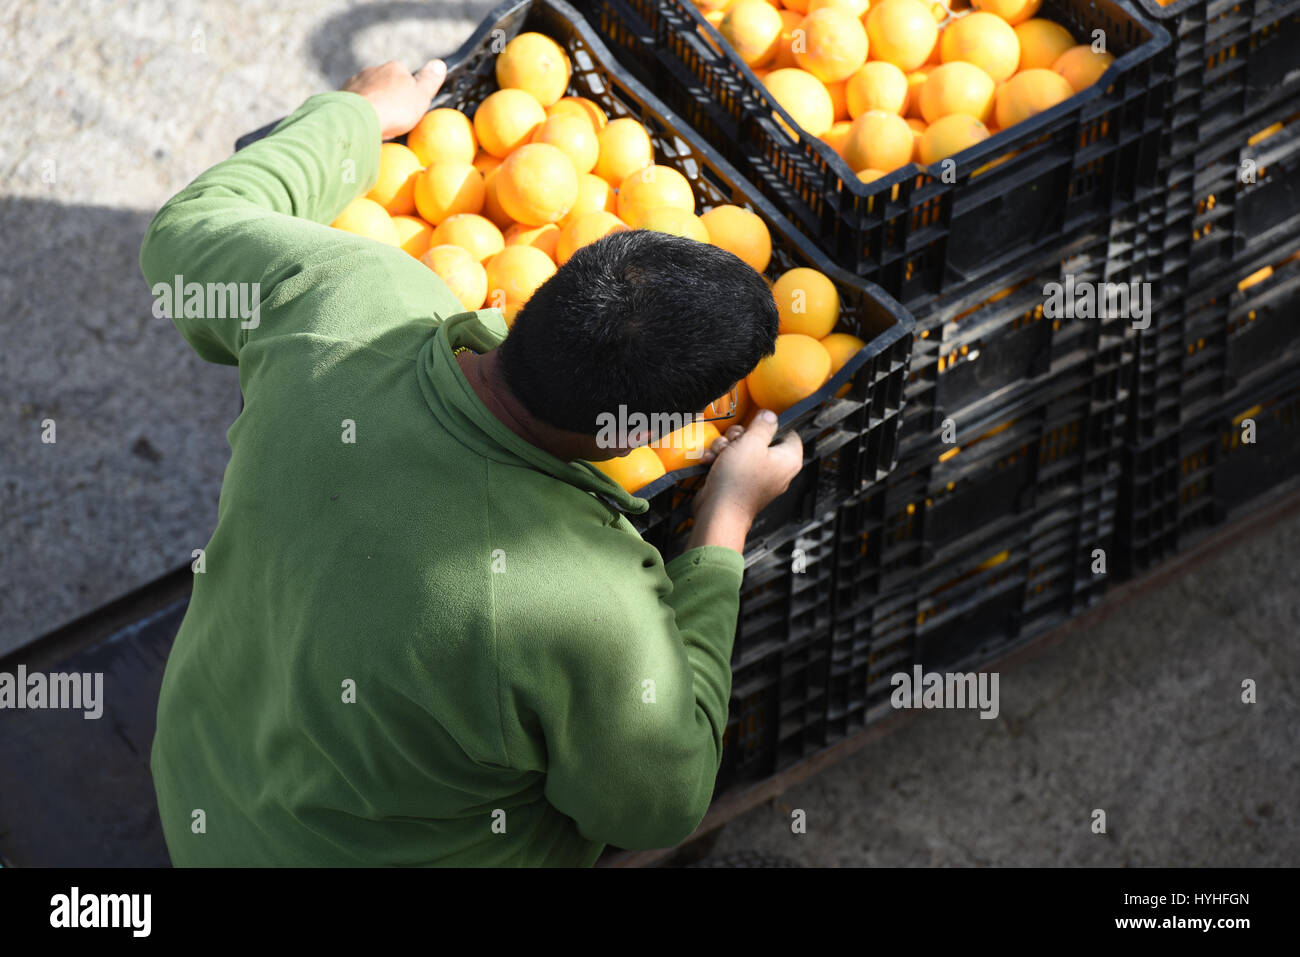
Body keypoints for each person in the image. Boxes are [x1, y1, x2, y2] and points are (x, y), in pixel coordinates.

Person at [141, 58, 803, 866]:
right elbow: (661, 803)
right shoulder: (583, 601)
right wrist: (724, 522)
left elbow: (184, 234)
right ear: (635, 435)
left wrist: (352, 117)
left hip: (201, 791)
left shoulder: (347, 298)